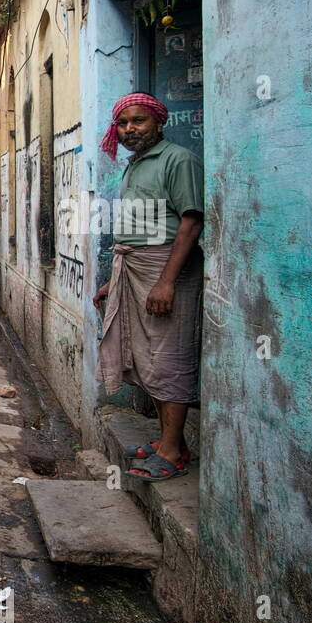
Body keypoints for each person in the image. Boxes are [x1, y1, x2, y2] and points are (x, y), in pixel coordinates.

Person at [92, 92, 205, 482]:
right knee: (146, 359)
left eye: (138, 121)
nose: (129, 130)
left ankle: (172, 452)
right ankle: (169, 441)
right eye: (123, 124)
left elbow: (191, 222)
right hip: (135, 269)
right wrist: (114, 281)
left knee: (167, 359)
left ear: (159, 122)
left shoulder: (178, 160)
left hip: (165, 270)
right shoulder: (134, 165)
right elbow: (137, 229)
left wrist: (167, 282)